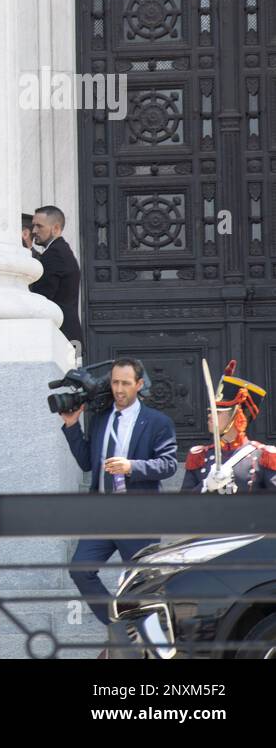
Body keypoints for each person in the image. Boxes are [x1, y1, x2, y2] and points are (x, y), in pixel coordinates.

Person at [59, 358, 177, 629]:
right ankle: (117, 625)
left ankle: (152, 638)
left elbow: (169, 464)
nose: (119, 389)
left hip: (137, 516)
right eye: (115, 382)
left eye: (125, 383)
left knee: (143, 584)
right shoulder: (101, 419)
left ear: (139, 385)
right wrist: (71, 426)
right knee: (81, 570)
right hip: (102, 513)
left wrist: (131, 467)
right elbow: (88, 463)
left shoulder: (157, 422)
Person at [181, 362, 276, 493]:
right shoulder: (200, 456)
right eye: (211, 411)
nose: (210, 415)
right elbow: (182, 505)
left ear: (237, 416)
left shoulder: (263, 457)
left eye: (218, 412)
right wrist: (206, 485)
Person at [29, 205, 83, 345]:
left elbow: (42, 297)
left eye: (39, 226)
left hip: (61, 336)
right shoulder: (60, 250)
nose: (34, 231)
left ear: (56, 228)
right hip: (68, 334)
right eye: (33, 226)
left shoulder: (54, 254)